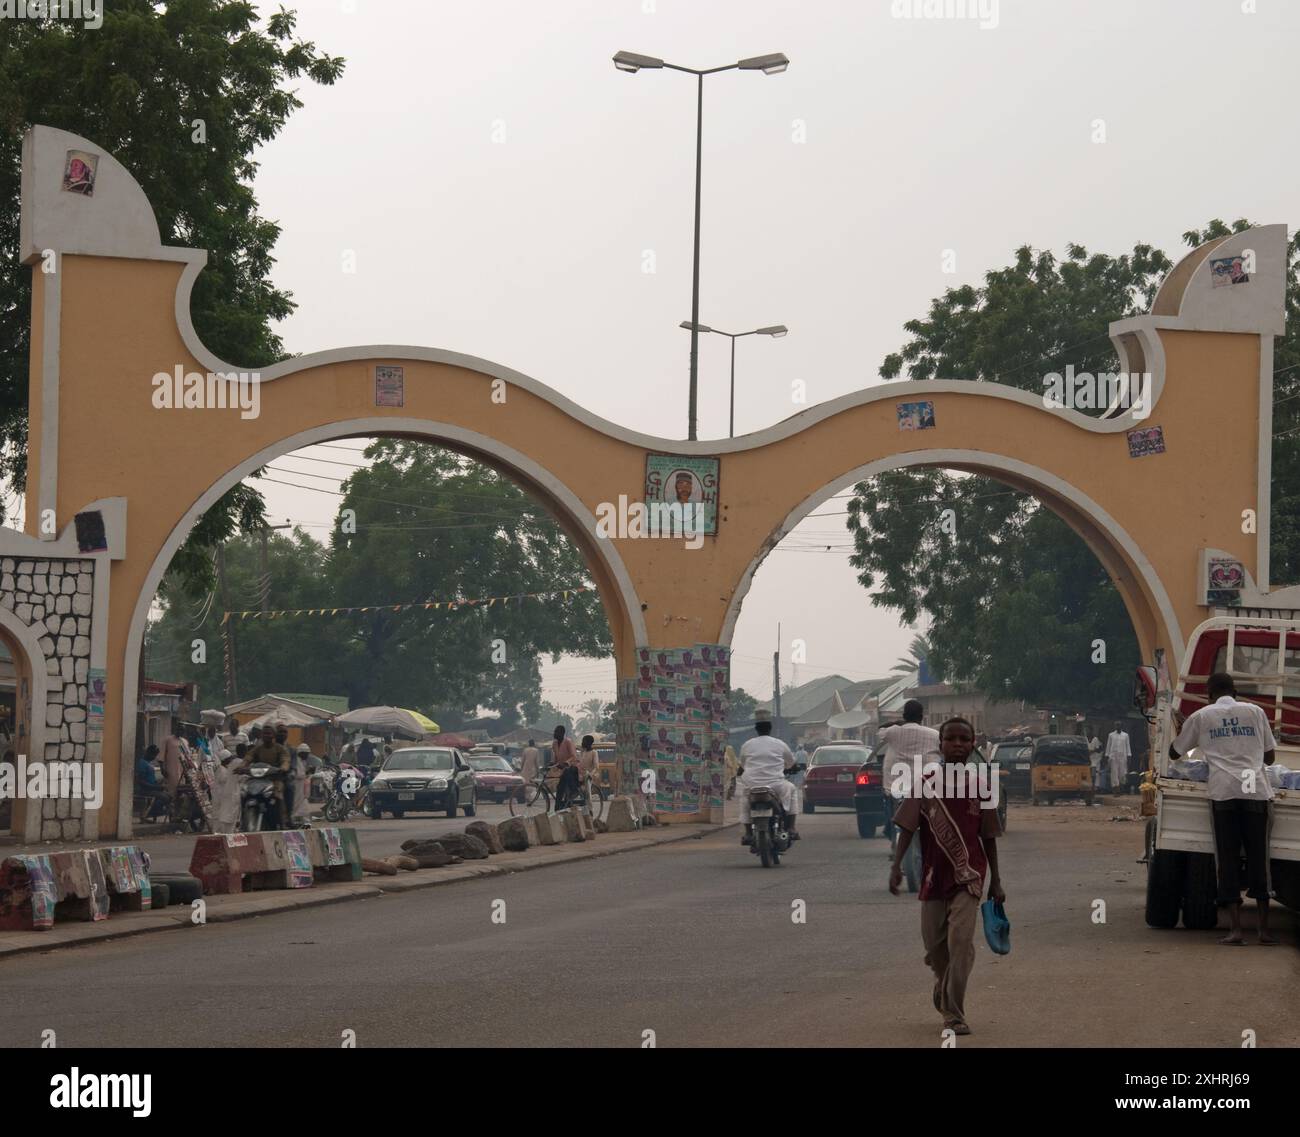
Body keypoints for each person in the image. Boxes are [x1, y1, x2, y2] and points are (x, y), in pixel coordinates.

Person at [890, 717, 1004, 1036]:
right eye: (950, 738)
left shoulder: (981, 786)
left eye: (963, 739)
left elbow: (989, 836)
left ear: (972, 745)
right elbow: (907, 828)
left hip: (969, 878)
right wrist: (896, 866)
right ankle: (943, 987)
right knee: (935, 950)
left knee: (961, 942)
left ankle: (953, 1014)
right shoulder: (925, 782)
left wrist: (996, 880)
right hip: (932, 878)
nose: (956, 744)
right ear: (939, 744)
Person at [1170, 672, 1277, 945]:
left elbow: (1175, 752)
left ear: (1209, 693)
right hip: (1256, 792)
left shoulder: (1202, 716)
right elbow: (1269, 756)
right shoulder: (1255, 712)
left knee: (1227, 860)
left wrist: (1185, 730)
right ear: (1235, 691)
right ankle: (1264, 932)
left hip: (1223, 793)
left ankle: (1236, 931)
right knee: (1259, 859)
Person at [737, 708, 797, 845]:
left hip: (752, 785)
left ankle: (747, 833)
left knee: (745, 802)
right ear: (770, 729)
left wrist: (741, 771)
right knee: (792, 790)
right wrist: (792, 768)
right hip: (776, 786)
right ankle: (792, 828)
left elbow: (742, 765)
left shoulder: (747, 745)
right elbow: (791, 763)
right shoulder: (780, 744)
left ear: (756, 729)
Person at [875, 700, 941, 799]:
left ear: (904, 716)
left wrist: (897, 723)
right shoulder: (935, 735)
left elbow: (880, 730)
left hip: (895, 792)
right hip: (925, 792)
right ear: (921, 717)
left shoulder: (893, 731)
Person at [249, 724, 293, 829]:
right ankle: (243, 818)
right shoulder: (258, 748)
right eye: (264, 733)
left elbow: (285, 760)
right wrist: (242, 767)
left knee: (280, 795)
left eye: (269, 733)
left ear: (273, 735)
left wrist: (283, 768)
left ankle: (283, 821)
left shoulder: (281, 749)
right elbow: (248, 757)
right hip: (259, 780)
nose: (266, 735)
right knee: (244, 792)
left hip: (276, 779)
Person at [135, 745, 168, 821]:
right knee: (165, 798)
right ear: (148, 753)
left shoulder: (150, 763)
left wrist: (160, 783)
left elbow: (154, 778)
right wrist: (155, 787)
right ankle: (150, 813)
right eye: (153, 755)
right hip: (145, 790)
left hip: (153, 789)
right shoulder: (142, 764)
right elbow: (141, 781)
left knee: (169, 796)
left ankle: (153, 812)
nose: (154, 757)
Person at [552, 725, 580, 809]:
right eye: (554, 731)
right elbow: (555, 759)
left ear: (562, 733)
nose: (554, 733)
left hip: (573, 769)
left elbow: (574, 756)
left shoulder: (568, 742)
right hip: (564, 771)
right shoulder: (554, 744)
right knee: (560, 788)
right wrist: (551, 764)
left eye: (556, 732)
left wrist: (566, 763)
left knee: (567, 771)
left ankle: (574, 790)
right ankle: (557, 808)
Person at [160, 721, 187, 800]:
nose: (181, 731)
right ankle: (170, 810)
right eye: (179, 729)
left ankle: (177, 810)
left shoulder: (185, 742)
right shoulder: (168, 740)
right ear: (176, 729)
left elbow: (187, 757)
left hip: (182, 772)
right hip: (170, 771)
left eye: (182, 730)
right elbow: (161, 756)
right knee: (171, 793)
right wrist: (162, 769)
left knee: (181, 793)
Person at [1105, 721, 1131, 795]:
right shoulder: (1111, 735)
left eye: (1119, 725)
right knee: (1114, 773)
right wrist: (1107, 755)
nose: (1117, 726)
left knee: (1122, 773)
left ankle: (1121, 788)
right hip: (1113, 756)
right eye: (1116, 725)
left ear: (1121, 726)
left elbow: (1128, 746)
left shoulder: (1125, 735)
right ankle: (1116, 790)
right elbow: (1108, 745)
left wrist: (1129, 755)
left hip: (1123, 756)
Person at [293, 743, 314, 824]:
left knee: (304, 809)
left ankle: (306, 824)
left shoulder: (303, 762)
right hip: (296, 787)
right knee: (296, 806)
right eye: (306, 754)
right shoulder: (296, 761)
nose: (307, 756)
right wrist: (306, 772)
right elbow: (298, 774)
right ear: (301, 753)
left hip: (302, 789)